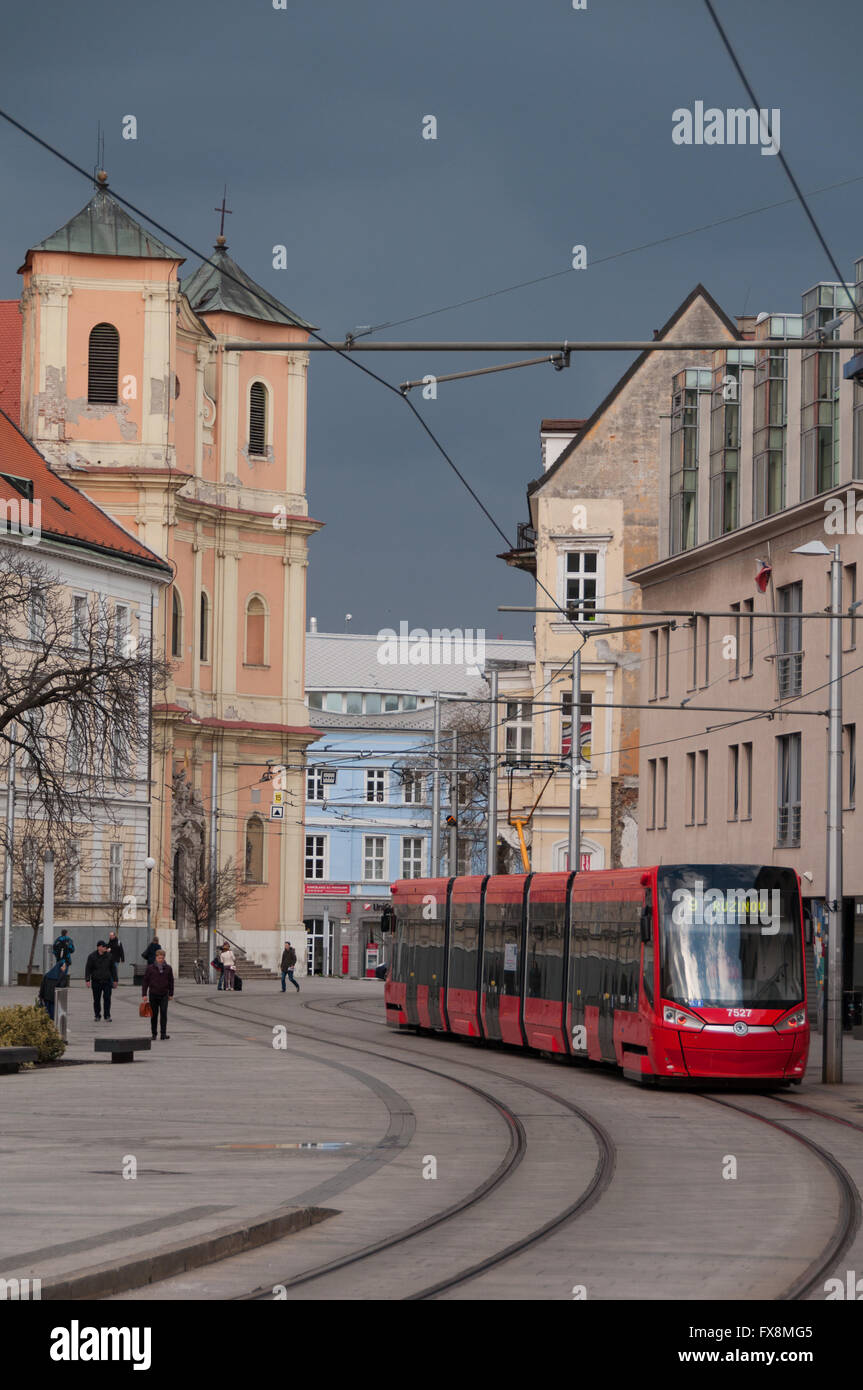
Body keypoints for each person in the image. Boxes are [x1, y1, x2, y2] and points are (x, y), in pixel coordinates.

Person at [141, 948, 174, 1040]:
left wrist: (171, 993)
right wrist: (144, 994)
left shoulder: (168, 968)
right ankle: (154, 1034)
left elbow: (171, 981)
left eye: (162, 958)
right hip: (153, 994)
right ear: (156, 958)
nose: (161, 960)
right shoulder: (150, 968)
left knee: (164, 1014)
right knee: (154, 1015)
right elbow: (145, 982)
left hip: (164, 994)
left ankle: (163, 1034)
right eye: (159, 958)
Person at [85, 940, 119, 1021]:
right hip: (96, 981)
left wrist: (115, 980)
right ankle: (97, 1015)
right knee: (96, 1000)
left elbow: (113, 969)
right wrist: (87, 980)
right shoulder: (92, 956)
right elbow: (88, 968)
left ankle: (107, 1015)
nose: (105, 948)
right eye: (103, 947)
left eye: (105, 947)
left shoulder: (109, 956)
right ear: (99, 947)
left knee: (107, 999)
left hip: (107, 981)